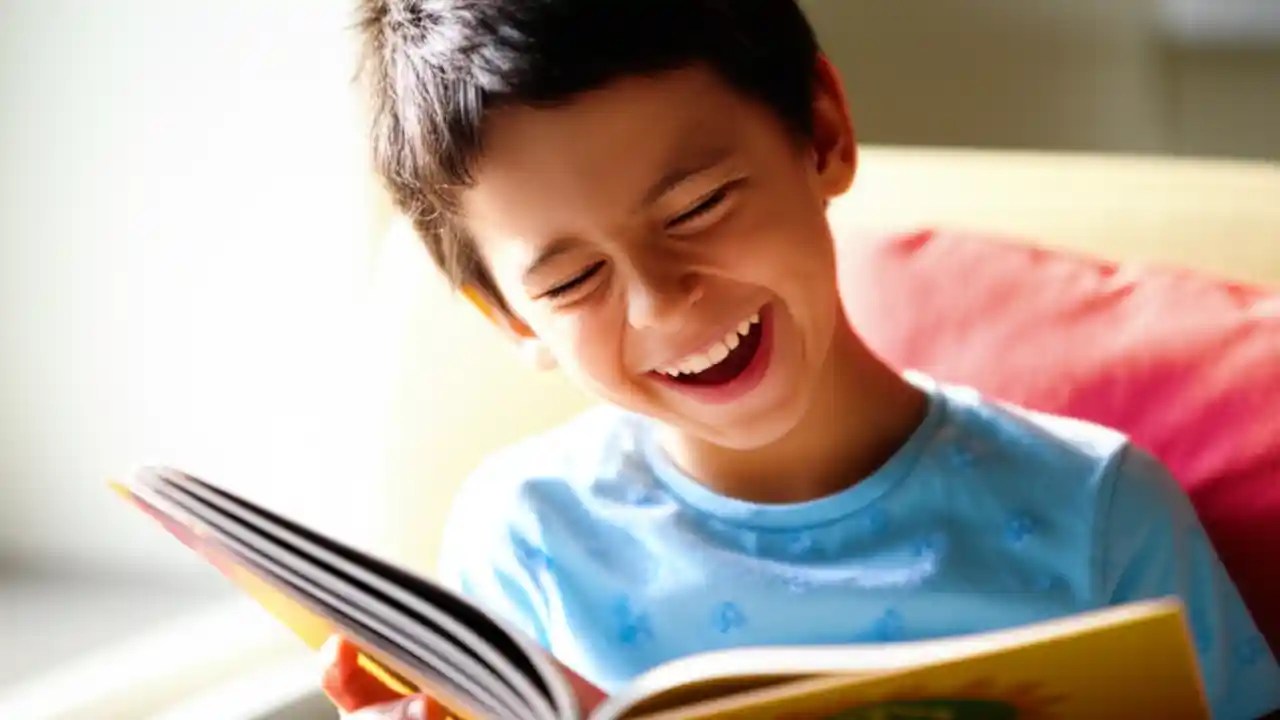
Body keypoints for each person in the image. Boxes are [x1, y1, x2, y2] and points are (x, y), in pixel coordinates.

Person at [323, 1, 1280, 717]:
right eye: (574, 281)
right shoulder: (525, 534)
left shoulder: (1098, 512)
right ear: (509, 318)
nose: (662, 301)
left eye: (698, 208)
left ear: (821, 133)